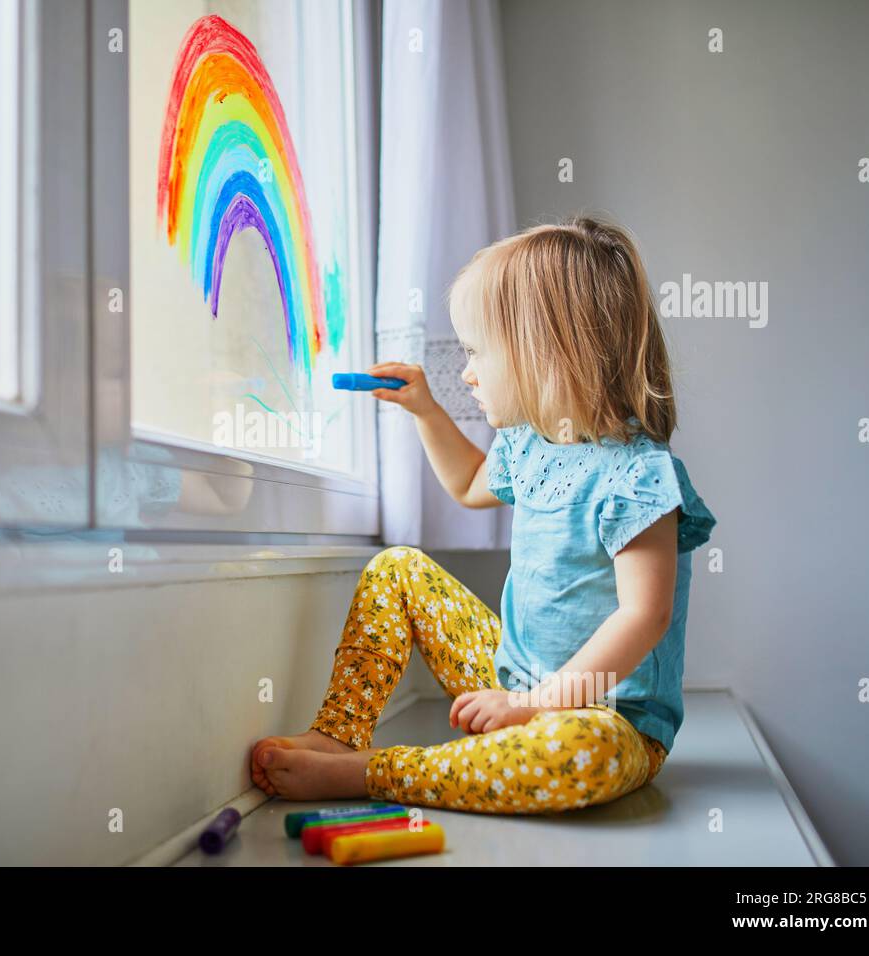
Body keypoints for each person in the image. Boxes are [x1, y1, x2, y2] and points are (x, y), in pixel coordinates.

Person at [250, 215, 717, 814]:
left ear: (544, 351)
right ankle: (340, 733)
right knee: (398, 570)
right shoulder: (528, 445)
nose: (466, 371)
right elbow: (470, 483)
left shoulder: (639, 477)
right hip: (512, 684)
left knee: (580, 753)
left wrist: (539, 707)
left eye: (476, 352)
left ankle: (371, 773)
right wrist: (424, 409)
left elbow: (643, 617)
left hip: (607, 717)